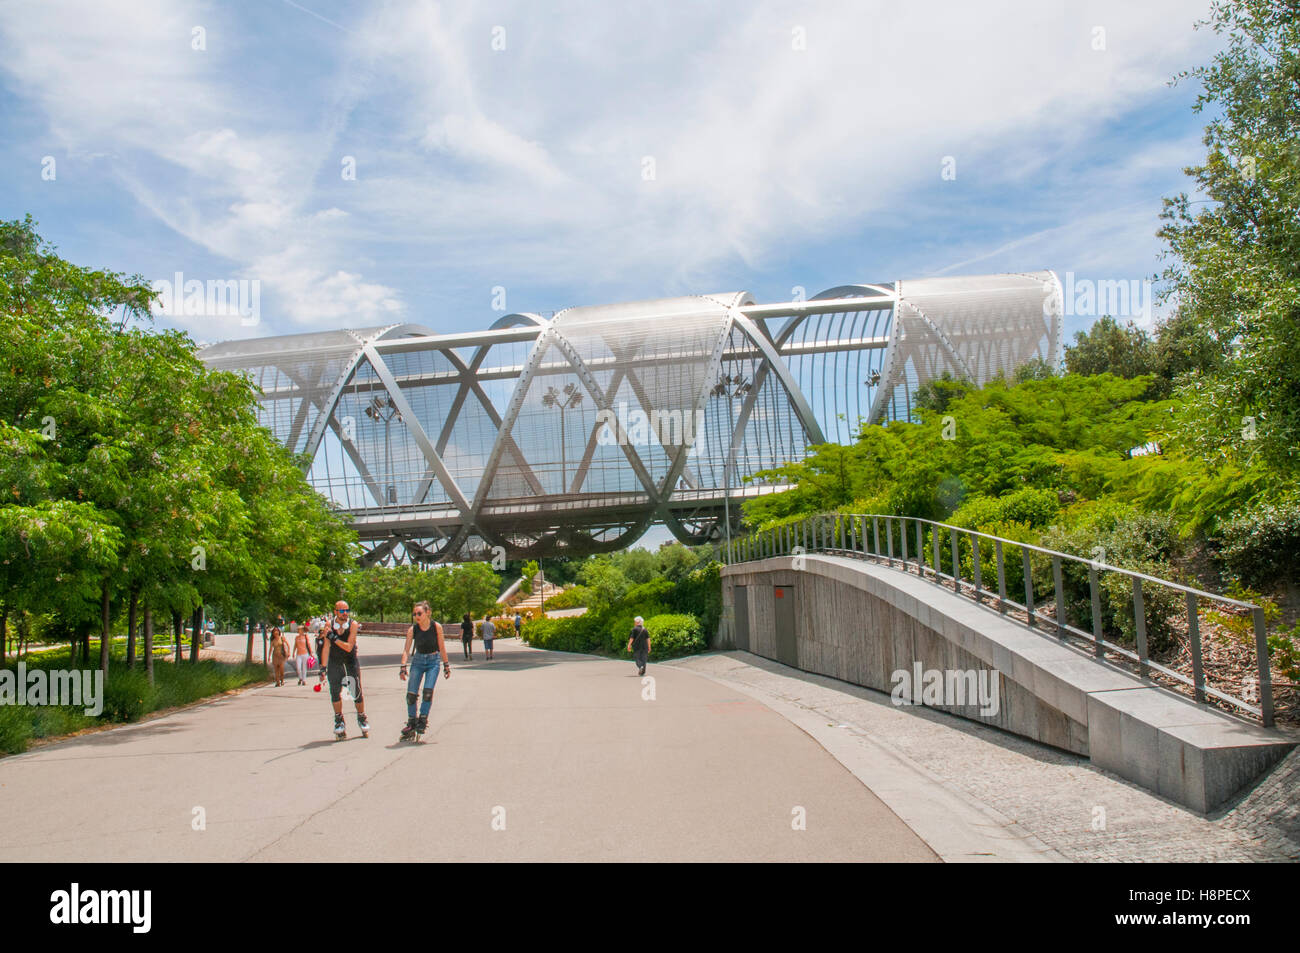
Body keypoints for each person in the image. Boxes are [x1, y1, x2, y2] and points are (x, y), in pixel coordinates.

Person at [399, 601, 450, 741]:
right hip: (418, 661)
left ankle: (422, 719)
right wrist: (403, 666)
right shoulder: (413, 629)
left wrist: (446, 665)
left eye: (419, 613)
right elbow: (406, 650)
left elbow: (442, 646)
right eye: (415, 614)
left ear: (428, 613)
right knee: (411, 694)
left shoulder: (436, 627)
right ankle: (411, 722)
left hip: (433, 661)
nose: (417, 616)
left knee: (427, 692)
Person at [319, 601, 370, 739]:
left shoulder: (353, 624)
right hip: (335, 662)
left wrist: (334, 638)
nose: (345, 613)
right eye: (342, 611)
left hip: (350, 661)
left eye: (347, 610)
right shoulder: (329, 625)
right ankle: (339, 720)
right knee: (335, 692)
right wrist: (323, 668)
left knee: (356, 691)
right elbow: (326, 647)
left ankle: (361, 717)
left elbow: (348, 646)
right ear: (335, 612)